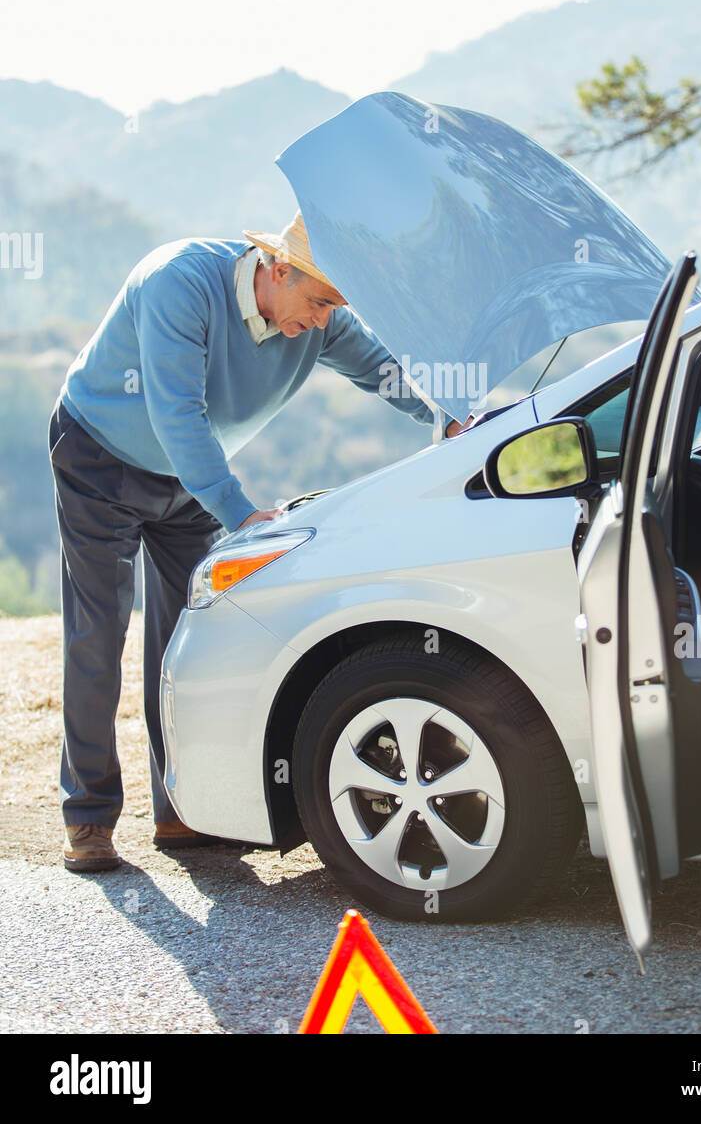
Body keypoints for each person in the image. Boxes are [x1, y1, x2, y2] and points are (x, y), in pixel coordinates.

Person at [49, 213, 466, 873]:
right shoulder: (177, 283)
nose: (328, 320)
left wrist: (451, 416)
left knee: (186, 642)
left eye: (338, 305)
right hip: (100, 456)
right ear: (277, 269)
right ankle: (89, 818)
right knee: (98, 638)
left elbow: (384, 371)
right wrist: (241, 514)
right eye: (321, 302)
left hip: (188, 478)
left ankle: (180, 811)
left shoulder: (314, 317)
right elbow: (178, 413)